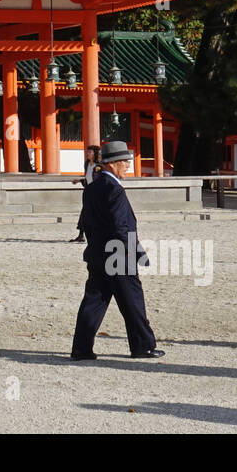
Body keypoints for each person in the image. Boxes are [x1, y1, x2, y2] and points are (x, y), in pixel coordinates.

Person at [70, 141, 164, 360]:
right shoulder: (115, 189)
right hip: (118, 255)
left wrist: (94, 247)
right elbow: (121, 226)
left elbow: (88, 223)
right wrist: (133, 252)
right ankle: (143, 346)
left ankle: (81, 348)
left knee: (94, 302)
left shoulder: (92, 188)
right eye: (125, 163)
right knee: (132, 300)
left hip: (98, 253)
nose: (128, 167)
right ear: (113, 164)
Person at [67, 145, 101, 242]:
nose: (88, 154)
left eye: (90, 152)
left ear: (95, 154)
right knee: (85, 212)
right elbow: (88, 177)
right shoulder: (87, 164)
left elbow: (100, 179)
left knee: (96, 213)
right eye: (88, 152)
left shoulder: (99, 166)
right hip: (88, 190)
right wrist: (79, 180)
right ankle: (81, 234)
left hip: (97, 192)